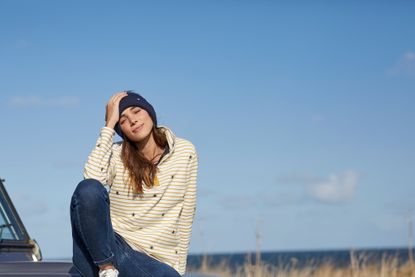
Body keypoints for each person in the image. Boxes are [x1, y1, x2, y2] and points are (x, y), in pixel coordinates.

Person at [70, 91, 198, 277]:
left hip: (153, 260)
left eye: (137, 111)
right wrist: (108, 127)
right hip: (112, 250)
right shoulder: (116, 154)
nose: (133, 120)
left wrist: (178, 270)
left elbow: (187, 210)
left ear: (150, 113)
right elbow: (90, 184)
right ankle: (107, 271)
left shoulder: (185, 151)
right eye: (122, 120)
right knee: (88, 188)